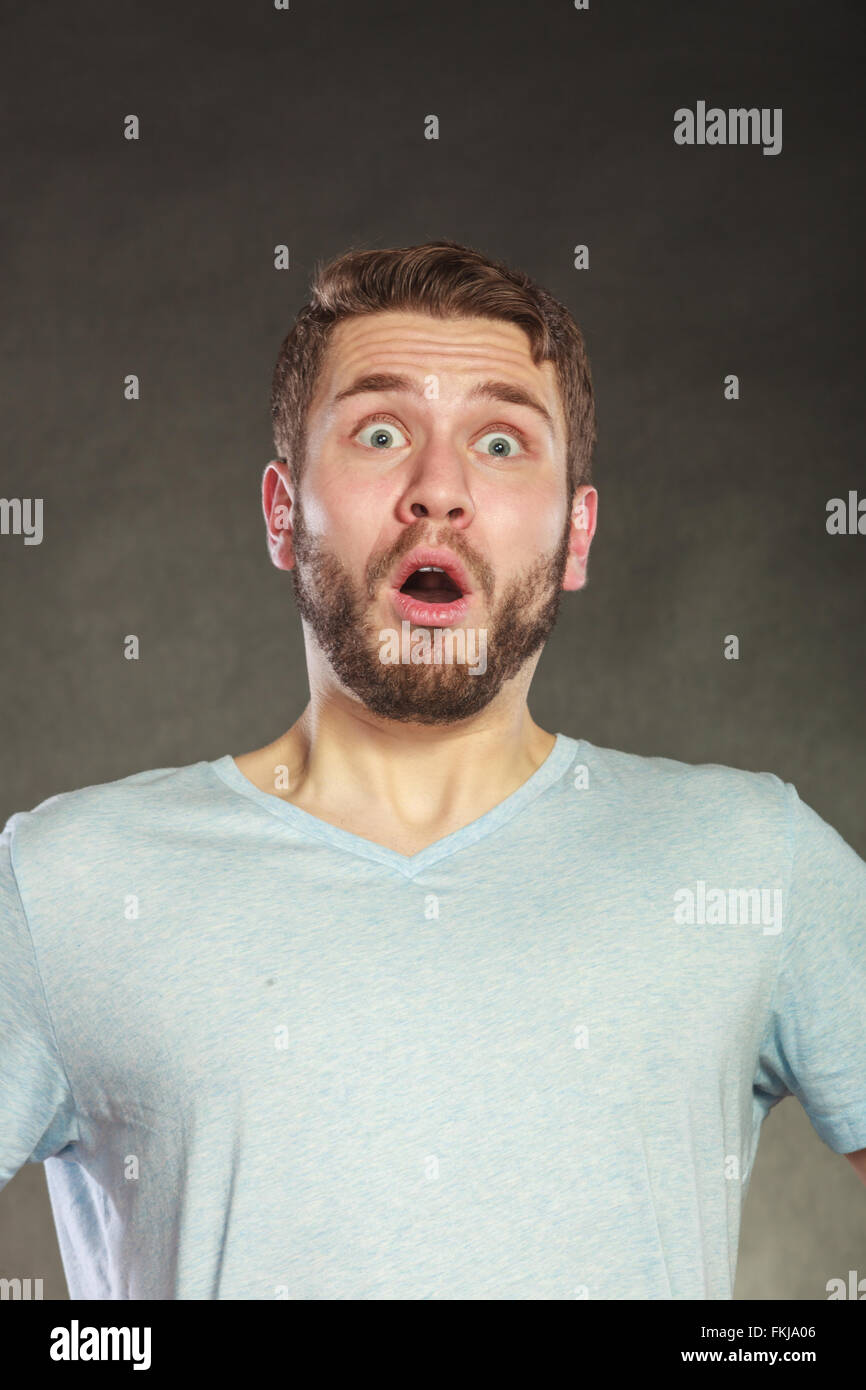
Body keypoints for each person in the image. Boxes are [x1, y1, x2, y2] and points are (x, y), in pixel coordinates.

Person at [1, 240, 864, 1301]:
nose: (438, 490)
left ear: (576, 532)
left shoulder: (750, 861)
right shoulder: (65, 883)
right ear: (282, 511)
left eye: (500, 442)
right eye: (378, 432)